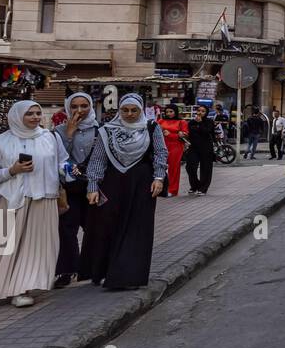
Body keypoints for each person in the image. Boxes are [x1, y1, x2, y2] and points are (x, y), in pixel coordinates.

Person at [0, 100, 67, 308]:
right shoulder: (0, 141)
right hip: (10, 200)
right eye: (29, 114)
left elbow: (61, 163)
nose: (35, 117)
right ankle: (13, 286)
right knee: (9, 248)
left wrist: (70, 172)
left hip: (44, 199)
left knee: (37, 248)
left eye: (38, 113)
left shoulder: (50, 137)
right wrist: (11, 171)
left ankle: (23, 288)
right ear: (16, 116)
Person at [79, 94, 167, 289]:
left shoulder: (150, 127)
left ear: (141, 110)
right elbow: (97, 160)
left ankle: (128, 275)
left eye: (134, 110)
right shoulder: (107, 131)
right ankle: (104, 271)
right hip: (112, 184)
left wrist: (159, 178)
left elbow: (161, 153)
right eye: (125, 110)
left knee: (137, 228)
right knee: (108, 225)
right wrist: (92, 186)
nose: (129, 114)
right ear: (119, 110)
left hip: (142, 185)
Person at [54, 91, 98, 288]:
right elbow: (55, 157)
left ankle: (93, 266)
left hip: (93, 186)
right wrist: (69, 134)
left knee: (95, 227)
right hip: (69, 188)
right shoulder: (58, 131)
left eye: (84, 106)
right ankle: (67, 269)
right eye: (74, 106)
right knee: (66, 229)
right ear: (67, 108)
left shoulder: (101, 130)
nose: (79, 110)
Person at [185, 104, 216, 195]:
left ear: (206, 113)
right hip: (193, 148)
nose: (200, 113)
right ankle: (195, 186)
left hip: (206, 148)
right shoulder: (191, 122)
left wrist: (200, 123)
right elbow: (190, 134)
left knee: (205, 168)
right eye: (199, 110)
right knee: (190, 167)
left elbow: (207, 132)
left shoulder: (209, 122)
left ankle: (203, 188)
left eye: (203, 111)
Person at [158, 104, 187, 198]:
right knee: (159, 167)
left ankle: (172, 190)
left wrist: (171, 134)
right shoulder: (161, 121)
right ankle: (159, 188)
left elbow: (184, 135)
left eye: (171, 111)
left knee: (173, 168)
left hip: (176, 146)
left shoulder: (181, 122)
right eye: (167, 112)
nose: (169, 113)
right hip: (162, 146)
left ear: (175, 112)